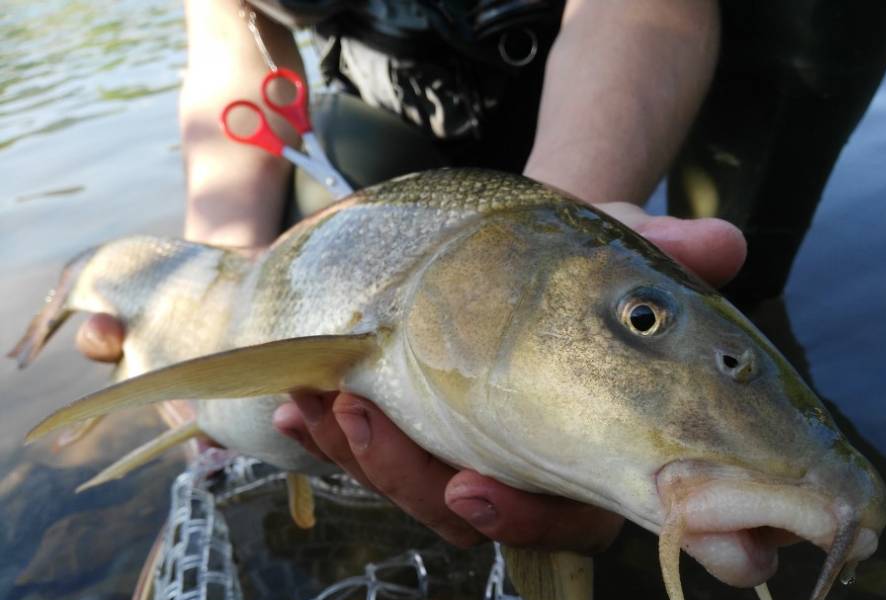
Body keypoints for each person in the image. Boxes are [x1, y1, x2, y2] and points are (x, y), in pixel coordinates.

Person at [76, 0, 748, 553]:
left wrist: (557, 239)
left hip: (621, 64)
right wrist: (212, 301)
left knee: (723, 276)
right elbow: (232, 51)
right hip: (391, 84)